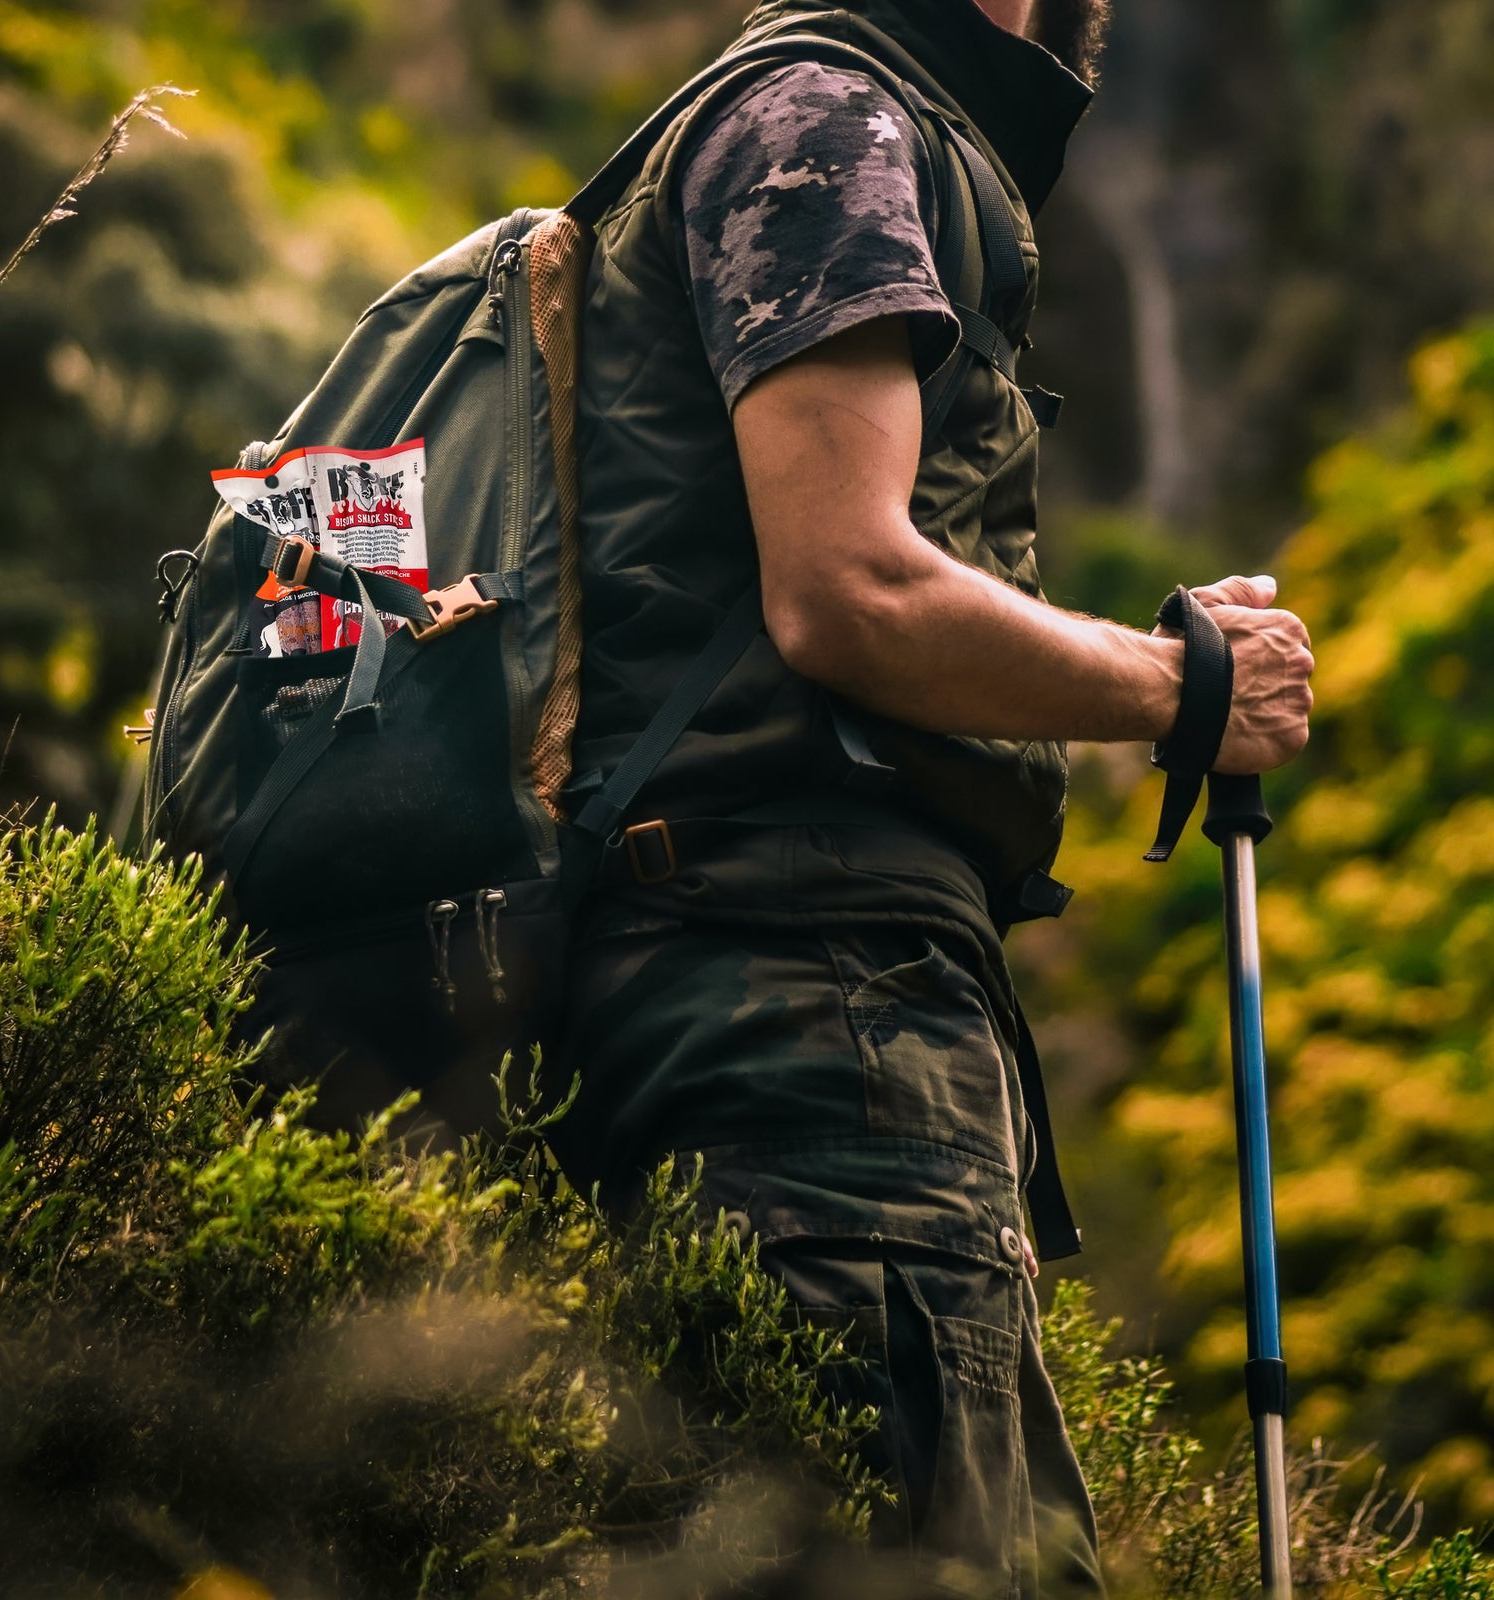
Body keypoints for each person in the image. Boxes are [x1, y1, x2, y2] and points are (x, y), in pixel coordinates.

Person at [551, 0, 1315, 1593]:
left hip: (769, 1003)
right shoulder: (831, 121)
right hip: (810, 1024)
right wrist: (1184, 689)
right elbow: (847, 592)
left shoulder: (831, 117)